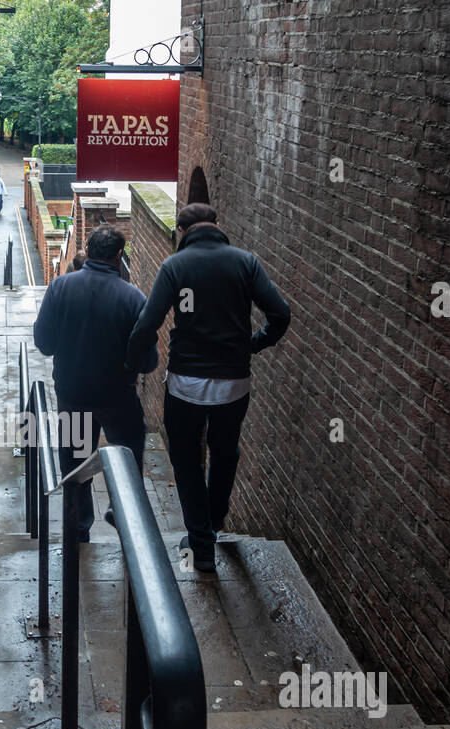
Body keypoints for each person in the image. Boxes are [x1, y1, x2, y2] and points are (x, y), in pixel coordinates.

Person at [126, 202, 290, 573]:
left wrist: (132, 367)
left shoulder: (175, 266)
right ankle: (214, 524)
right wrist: (254, 342)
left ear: (182, 232)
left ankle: (201, 544)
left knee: (185, 461)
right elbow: (281, 314)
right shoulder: (245, 262)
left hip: (185, 384)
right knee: (225, 453)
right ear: (216, 225)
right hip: (234, 383)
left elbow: (146, 325)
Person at [34, 225, 157, 542]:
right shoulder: (133, 298)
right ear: (119, 256)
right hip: (118, 396)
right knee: (128, 457)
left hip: (73, 393)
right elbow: (149, 360)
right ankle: (126, 515)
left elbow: (44, 343)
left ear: (87, 252)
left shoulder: (60, 287)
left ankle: (77, 527)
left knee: (74, 461)